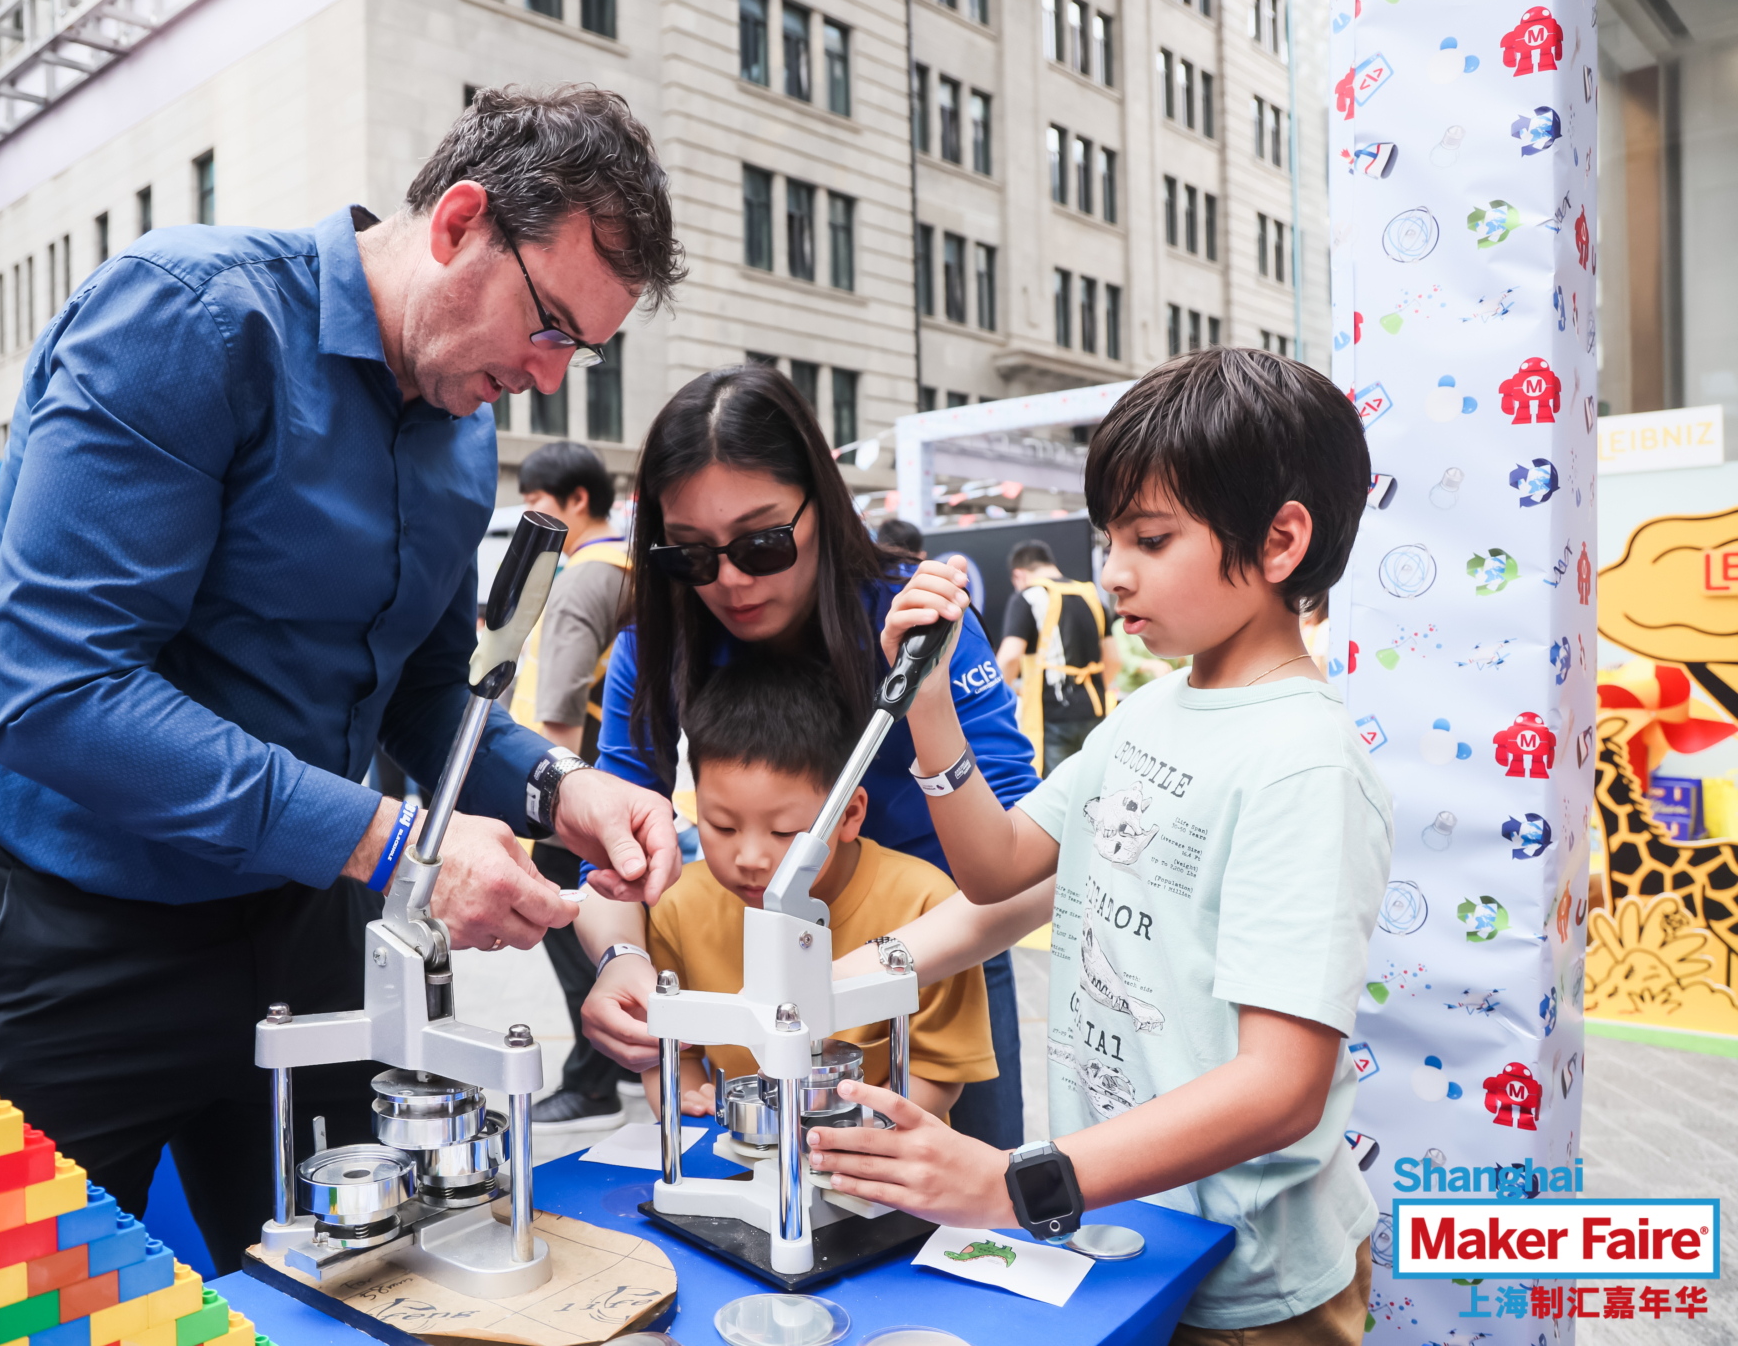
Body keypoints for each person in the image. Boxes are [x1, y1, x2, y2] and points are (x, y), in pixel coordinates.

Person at [0, 85, 689, 1274]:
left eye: (578, 350)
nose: (546, 380)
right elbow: (55, 693)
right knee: (8, 1301)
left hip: (307, 927)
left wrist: (556, 788)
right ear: (459, 224)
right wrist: (395, 845)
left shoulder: (457, 431)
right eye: (547, 327)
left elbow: (422, 696)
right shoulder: (190, 320)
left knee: (366, 1284)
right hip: (76, 934)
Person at [809, 349, 1391, 1345]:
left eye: (1150, 538)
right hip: (1123, 1229)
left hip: (1249, 1287)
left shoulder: (1303, 764)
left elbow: (1281, 1085)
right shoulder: (1151, 712)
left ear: (1280, 540)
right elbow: (998, 868)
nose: (1113, 570)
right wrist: (930, 707)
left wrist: (1009, 1183)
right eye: (1108, 538)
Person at [572, 363, 1039, 1150]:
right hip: (752, 958)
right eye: (690, 554)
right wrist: (622, 959)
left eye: (761, 543)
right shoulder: (657, 642)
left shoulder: (916, 620)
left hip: (942, 953)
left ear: (821, 502)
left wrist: (872, 967)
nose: (728, 581)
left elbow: (1033, 864)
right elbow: (614, 849)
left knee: (958, 1199)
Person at [646, 654, 995, 1121]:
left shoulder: (927, 908)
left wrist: (853, 1133)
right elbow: (672, 1057)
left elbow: (936, 1071)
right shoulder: (677, 906)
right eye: (722, 826)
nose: (749, 858)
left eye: (783, 831)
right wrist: (694, 1104)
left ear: (849, 814)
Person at [509, 440, 643, 1133]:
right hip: (621, 783)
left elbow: (558, 707)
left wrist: (548, 807)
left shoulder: (583, 578)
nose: (529, 515)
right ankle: (627, 1063)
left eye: (536, 501)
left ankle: (593, 1082)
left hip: (573, 797)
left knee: (575, 937)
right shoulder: (629, 567)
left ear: (577, 500)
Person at [995, 539, 1119, 774]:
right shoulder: (1091, 596)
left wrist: (997, 702)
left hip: (1051, 715)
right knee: (1092, 783)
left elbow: (1009, 657)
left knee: (1056, 790)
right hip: (1095, 709)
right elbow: (1113, 659)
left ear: (1019, 575)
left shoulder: (1027, 597)